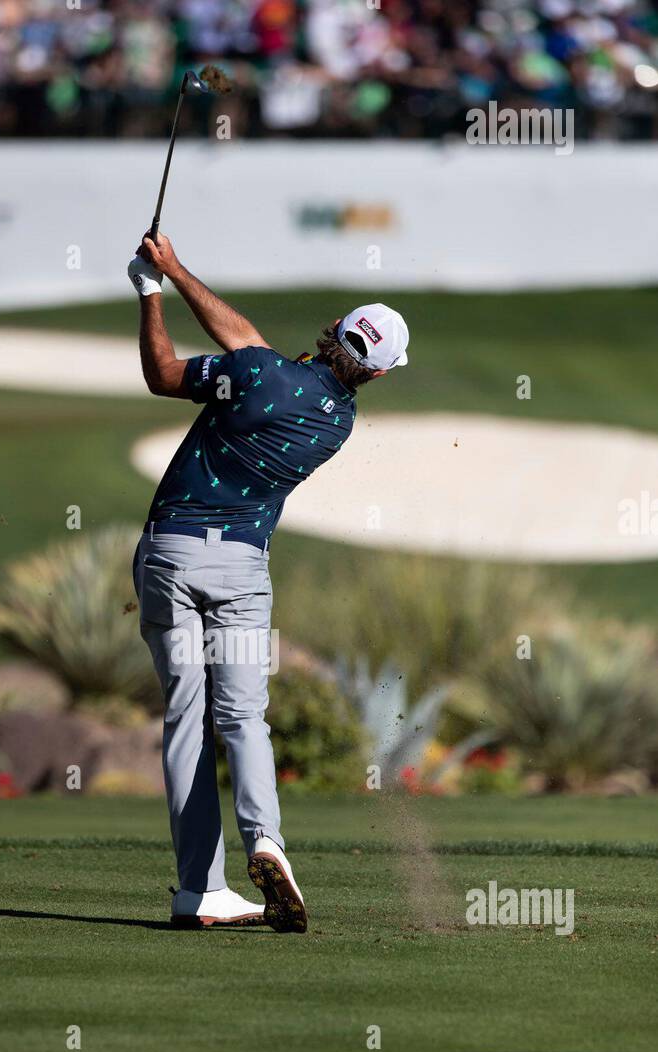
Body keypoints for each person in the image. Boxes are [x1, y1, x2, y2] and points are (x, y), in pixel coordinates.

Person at [127, 230, 409, 931]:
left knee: (185, 719)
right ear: (376, 375)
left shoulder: (255, 373)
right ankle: (266, 839)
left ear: (333, 329)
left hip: (170, 555)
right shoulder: (335, 421)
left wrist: (152, 289)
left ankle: (201, 889)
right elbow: (253, 351)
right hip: (242, 574)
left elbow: (164, 374)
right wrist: (177, 271)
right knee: (243, 716)